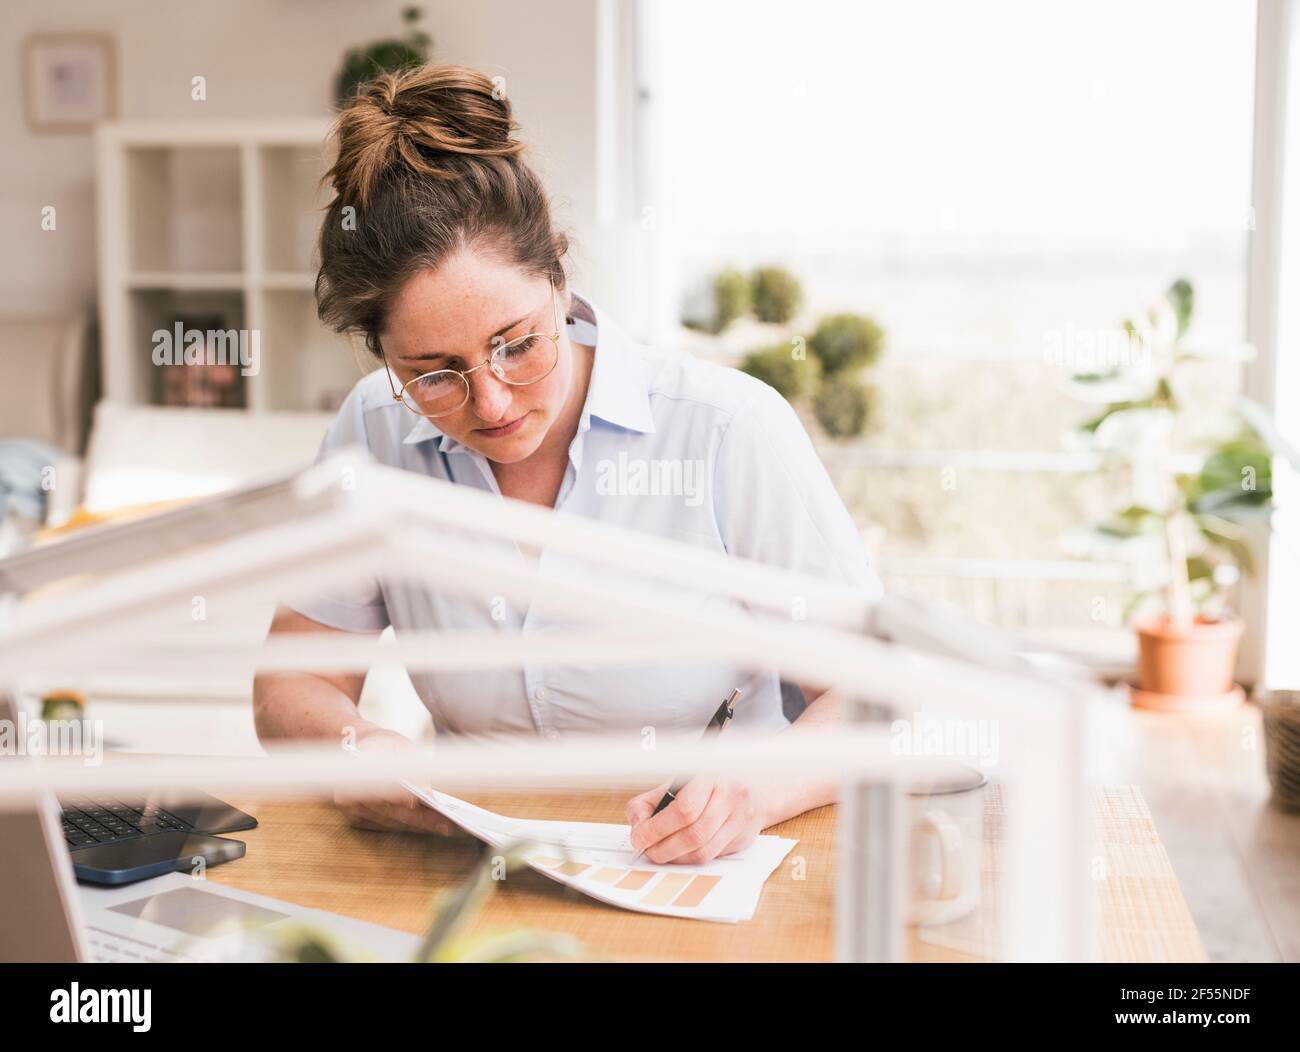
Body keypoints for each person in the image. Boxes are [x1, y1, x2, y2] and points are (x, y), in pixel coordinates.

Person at [252, 63, 882, 866]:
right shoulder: (372, 434)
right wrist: (356, 750)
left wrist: (748, 794)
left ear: (558, 272)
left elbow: (873, 696)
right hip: (472, 875)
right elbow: (287, 690)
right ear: (381, 353)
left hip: (708, 876)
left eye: (516, 343)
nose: (493, 403)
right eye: (434, 373)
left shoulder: (725, 428)